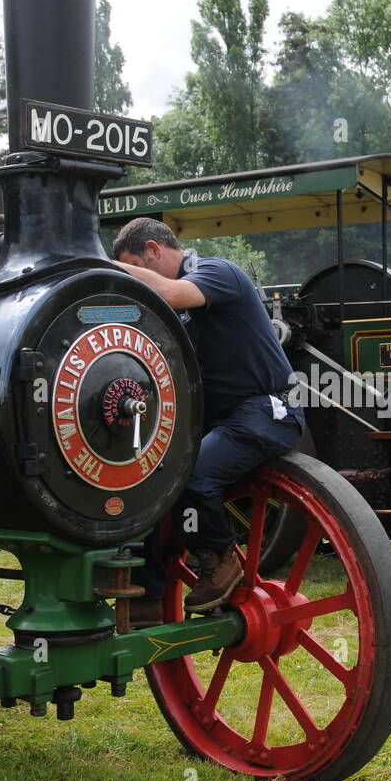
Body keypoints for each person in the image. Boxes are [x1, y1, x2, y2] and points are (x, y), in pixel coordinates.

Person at [113, 218, 304, 610]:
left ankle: (221, 559)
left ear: (154, 250)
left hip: (267, 410)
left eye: (137, 268)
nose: (138, 283)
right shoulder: (176, 301)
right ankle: (145, 597)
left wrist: (99, 266)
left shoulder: (218, 272)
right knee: (145, 482)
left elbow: (170, 292)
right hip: (220, 420)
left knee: (193, 473)